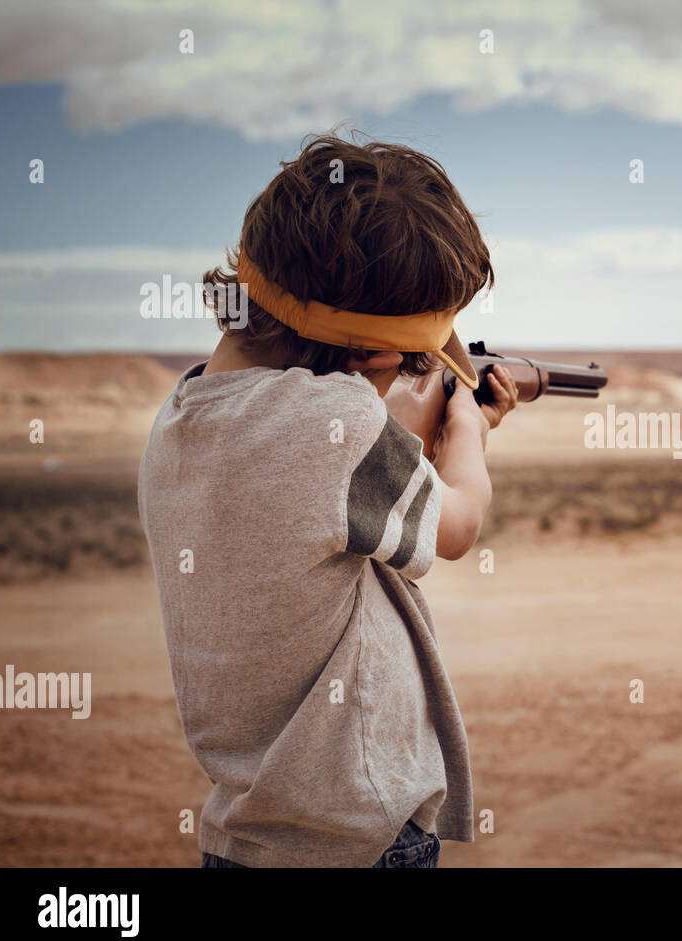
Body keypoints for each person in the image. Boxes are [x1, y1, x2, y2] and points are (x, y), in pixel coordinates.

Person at [137, 133, 517, 867]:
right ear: (360, 355)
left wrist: (407, 421)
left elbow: (310, 468)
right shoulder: (329, 431)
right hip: (363, 835)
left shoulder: (185, 415)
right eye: (409, 361)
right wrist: (469, 425)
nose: (410, 375)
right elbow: (461, 521)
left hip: (250, 836)